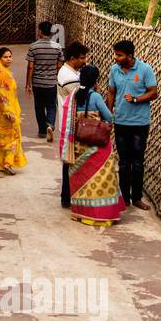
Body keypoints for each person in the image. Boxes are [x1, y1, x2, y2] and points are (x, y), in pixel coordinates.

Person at [63, 64, 125, 225]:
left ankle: (81, 213)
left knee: (82, 178)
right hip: (96, 144)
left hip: (78, 144)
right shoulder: (95, 97)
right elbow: (108, 117)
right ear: (95, 80)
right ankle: (101, 214)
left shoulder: (74, 96)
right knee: (102, 177)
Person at [105, 39, 159, 211]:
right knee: (123, 162)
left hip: (139, 124)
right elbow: (111, 92)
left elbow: (153, 92)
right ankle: (124, 198)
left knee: (137, 162)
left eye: (119, 55)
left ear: (129, 56)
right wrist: (109, 115)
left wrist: (137, 99)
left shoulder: (145, 69)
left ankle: (137, 198)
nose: (115, 57)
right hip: (120, 122)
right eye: (115, 54)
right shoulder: (114, 70)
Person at [56, 42, 90, 208]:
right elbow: (81, 97)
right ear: (72, 58)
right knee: (70, 160)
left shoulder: (69, 71)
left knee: (69, 159)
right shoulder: (69, 77)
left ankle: (68, 195)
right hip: (70, 123)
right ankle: (67, 196)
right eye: (82, 58)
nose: (84, 61)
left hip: (67, 122)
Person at [0, 46, 28, 174]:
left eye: (10, 56)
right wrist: (8, 111)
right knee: (13, 136)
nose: (9, 59)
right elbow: (2, 93)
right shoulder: (3, 73)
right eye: (5, 57)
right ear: (0, 58)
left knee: (0, 137)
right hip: (5, 110)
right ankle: (8, 163)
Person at [26, 21, 62, 141]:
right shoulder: (57, 47)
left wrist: (28, 84)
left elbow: (30, 66)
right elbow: (59, 65)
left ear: (40, 31)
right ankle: (50, 125)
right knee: (52, 105)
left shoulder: (33, 46)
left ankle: (42, 130)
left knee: (39, 106)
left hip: (37, 82)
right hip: (51, 82)